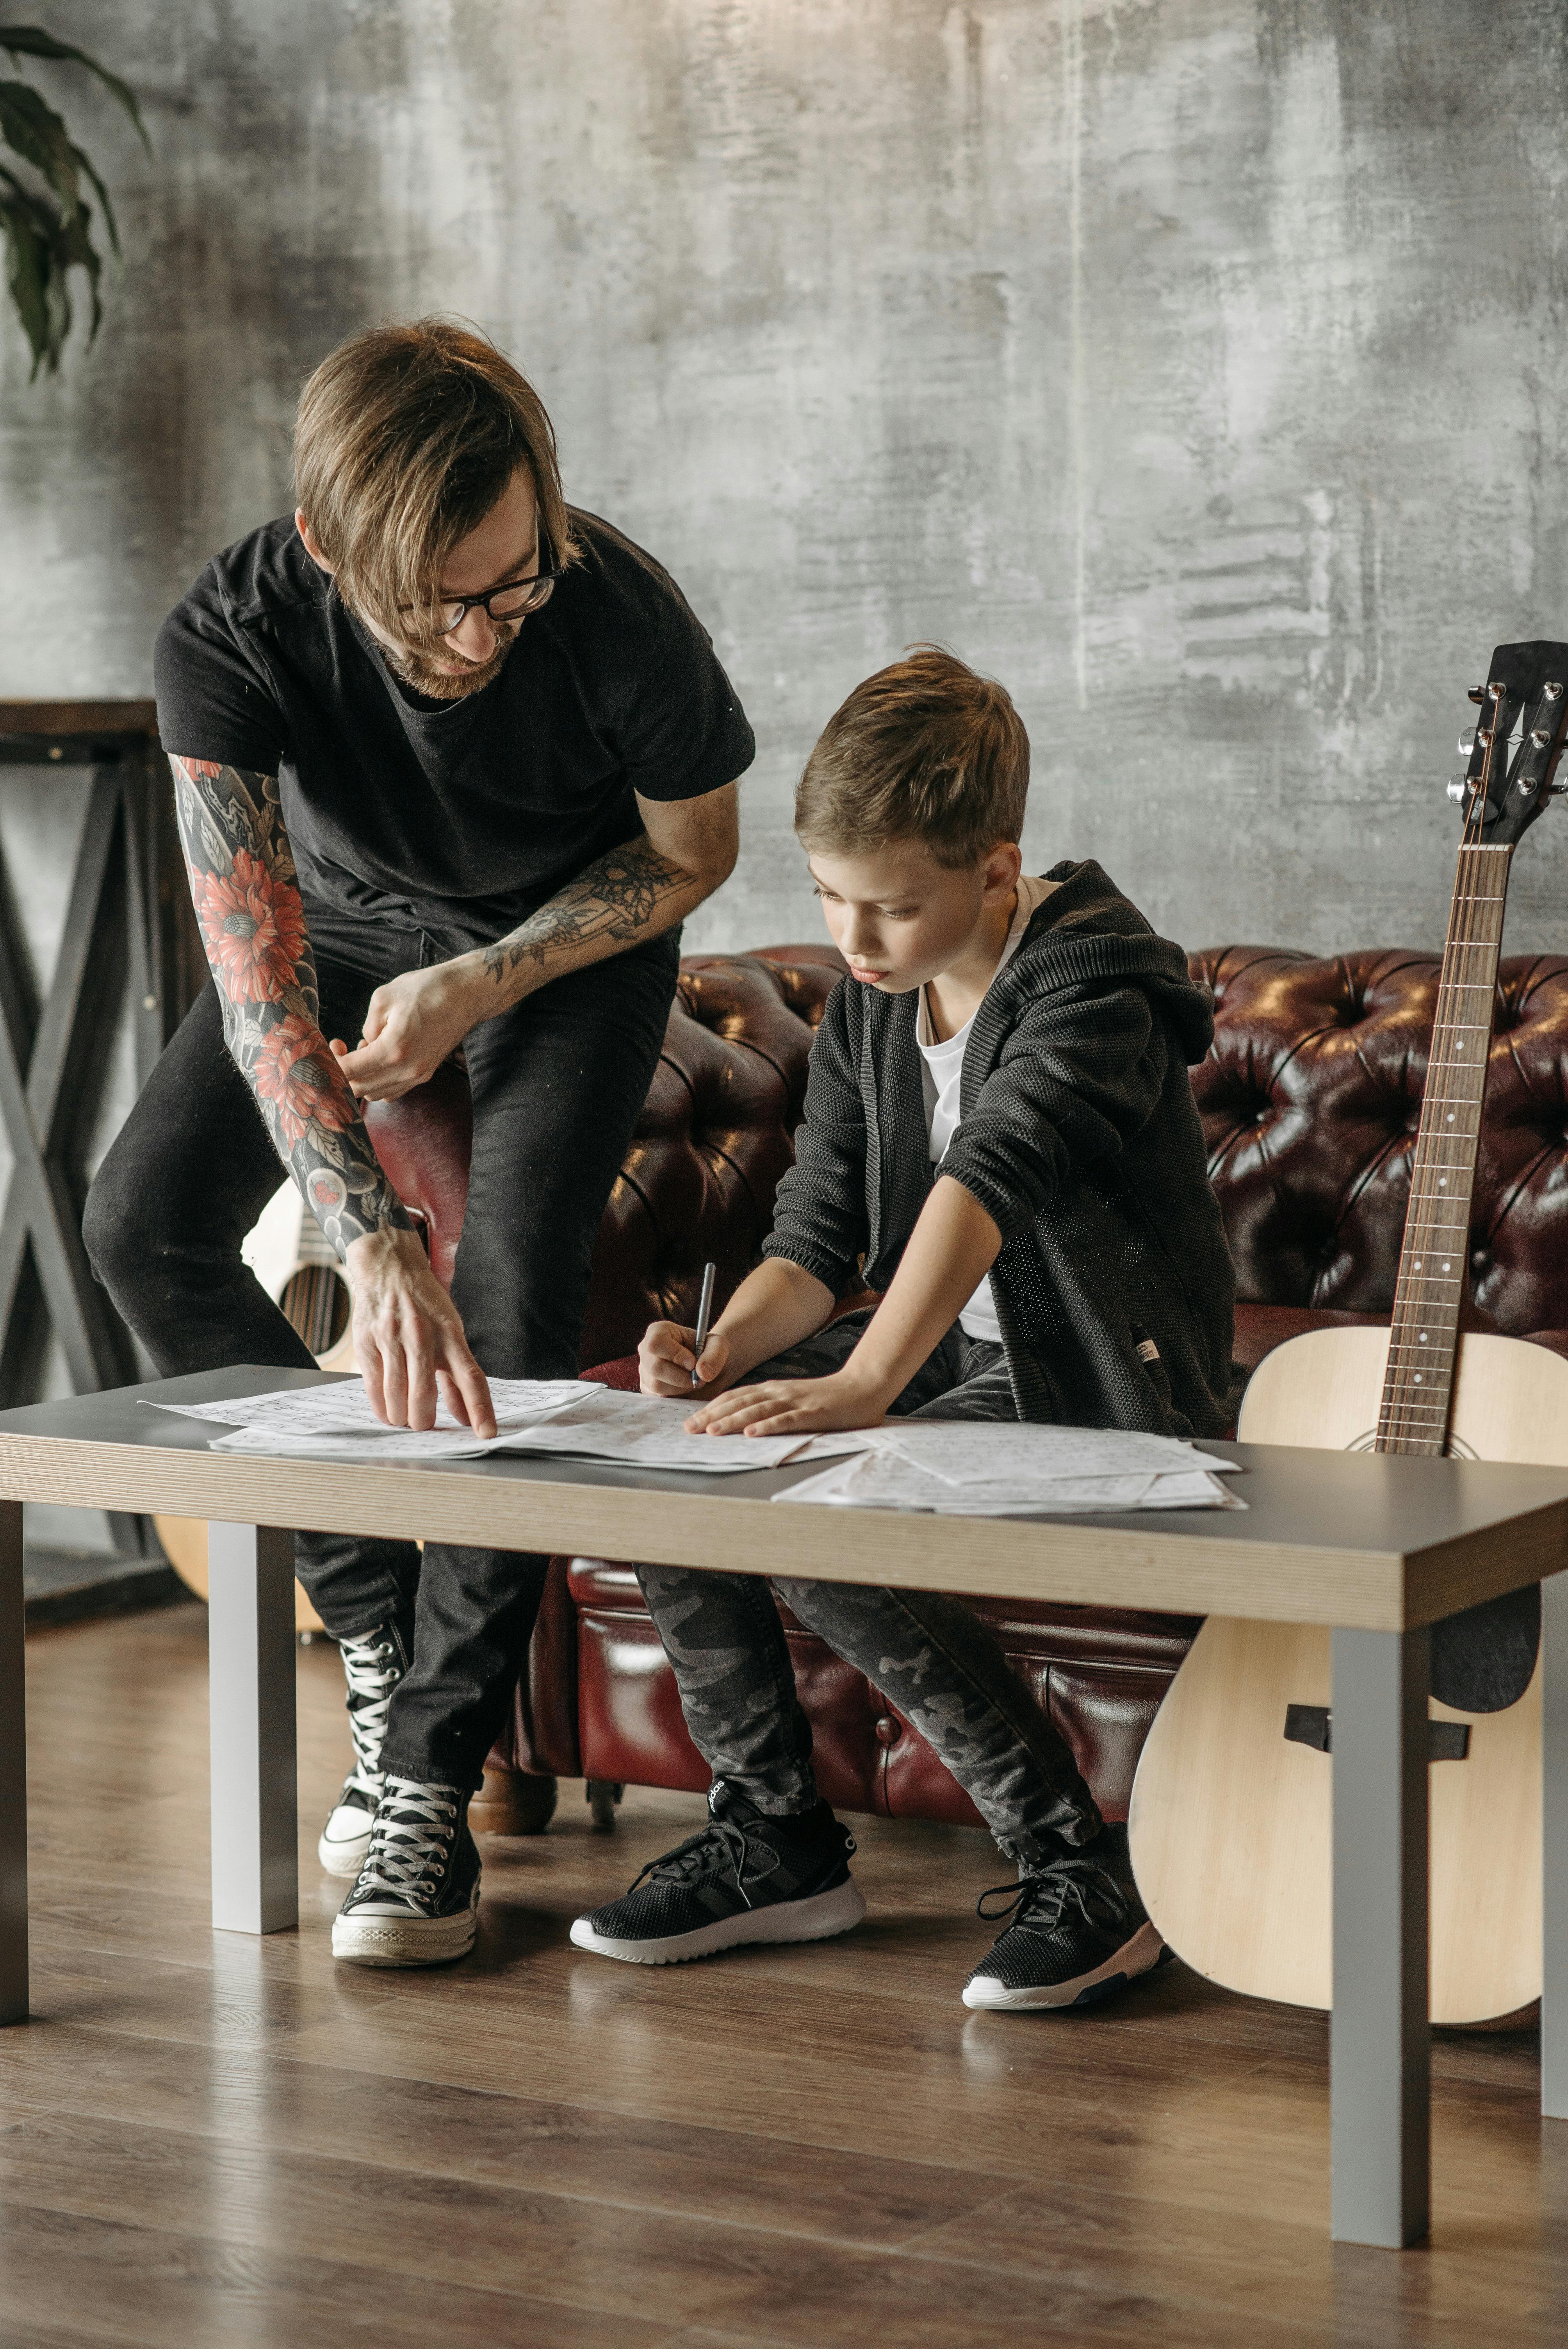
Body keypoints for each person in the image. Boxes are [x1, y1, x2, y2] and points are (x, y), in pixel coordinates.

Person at [84, 318, 752, 1968]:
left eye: (509, 585)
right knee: (136, 1224)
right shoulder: (229, 636)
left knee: (515, 1288)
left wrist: (490, 975)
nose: (480, 632)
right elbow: (252, 978)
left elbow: (691, 855)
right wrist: (367, 1231)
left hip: (570, 943)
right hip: (348, 924)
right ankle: (373, 1619)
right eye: (433, 603)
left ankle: (428, 1783)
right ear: (327, 549)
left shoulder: (613, 616)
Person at [569, 646, 1235, 2012]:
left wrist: (866, 1386)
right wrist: (723, 1354)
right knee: (673, 1458)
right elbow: (816, 1232)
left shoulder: (1091, 987)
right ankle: (776, 1841)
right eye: (827, 897)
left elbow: (989, 1175)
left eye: (890, 909)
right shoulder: (880, 1000)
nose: (853, 946)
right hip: (949, 1352)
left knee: (826, 1507)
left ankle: (1081, 1873)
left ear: (998, 870)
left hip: (1098, 1374)